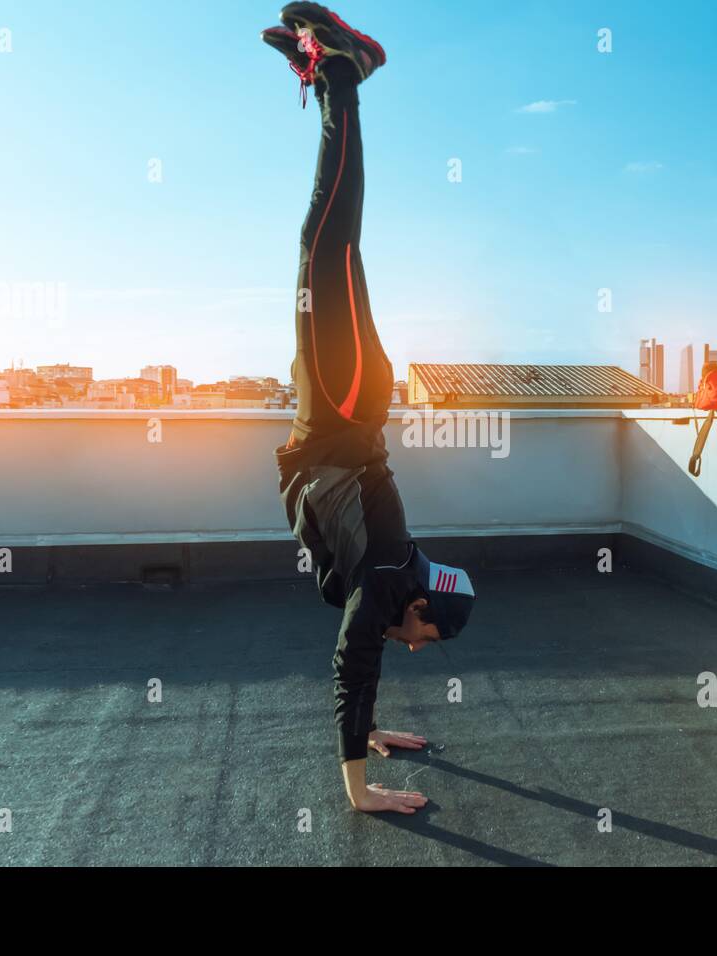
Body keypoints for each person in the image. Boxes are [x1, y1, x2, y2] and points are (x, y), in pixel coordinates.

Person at [262, 3, 476, 815]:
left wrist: (381, 731)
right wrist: (365, 793)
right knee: (329, 242)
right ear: (418, 608)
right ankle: (345, 77)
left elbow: (371, 650)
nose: (416, 645)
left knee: (330, 242)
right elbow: (355, 665)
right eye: (427, 636)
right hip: (344, 405)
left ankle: (335, 84)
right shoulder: (391, 581)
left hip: (348, 408)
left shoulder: (397, 576)